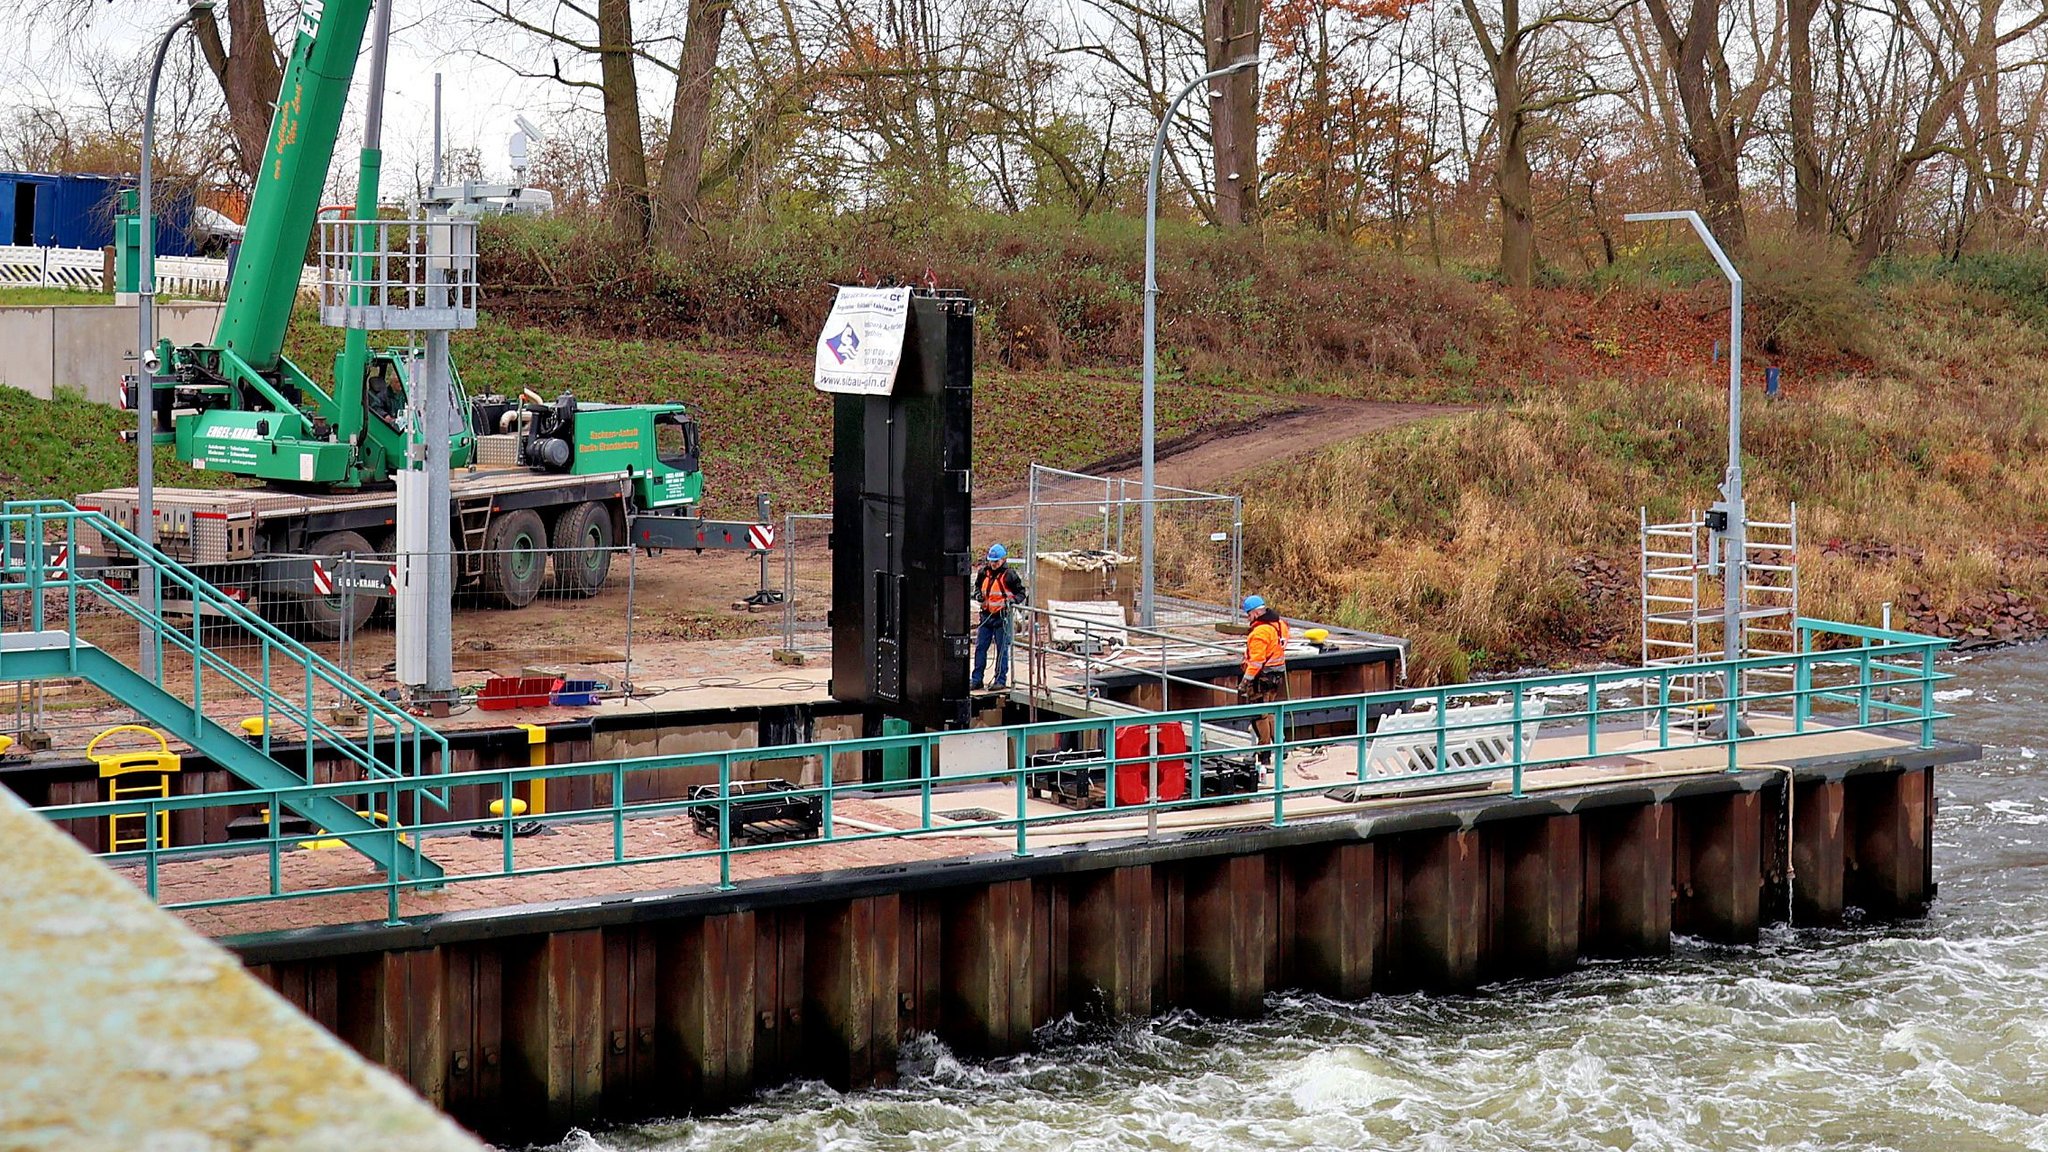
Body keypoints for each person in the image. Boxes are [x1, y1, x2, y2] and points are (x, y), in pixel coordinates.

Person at [1237, 594, 1290, 765]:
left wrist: (1245, 681)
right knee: (1270, 712)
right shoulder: (1280, 624)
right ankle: (1281, 746)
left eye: (1248, 614)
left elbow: (1257, 661)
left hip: (1261, 677)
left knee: (1259, 715)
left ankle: (1263, 753)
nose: (1248, 618)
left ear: (1255, 613)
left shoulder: (1260, 632)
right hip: (1277, 674)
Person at [971, 544, 1026, 690]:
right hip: (986, 616)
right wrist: (978, 595)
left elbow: (1021, 593)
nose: (993, 564)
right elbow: (977, 588)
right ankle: (976, 679)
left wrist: (1012, 601)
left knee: (1002, 650)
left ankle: (1000, 680)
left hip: (1002, 617)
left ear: (1003, 560)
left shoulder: (1009, 575)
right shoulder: (983, 573)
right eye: (991, 561)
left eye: (996, 561)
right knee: (980, 648)